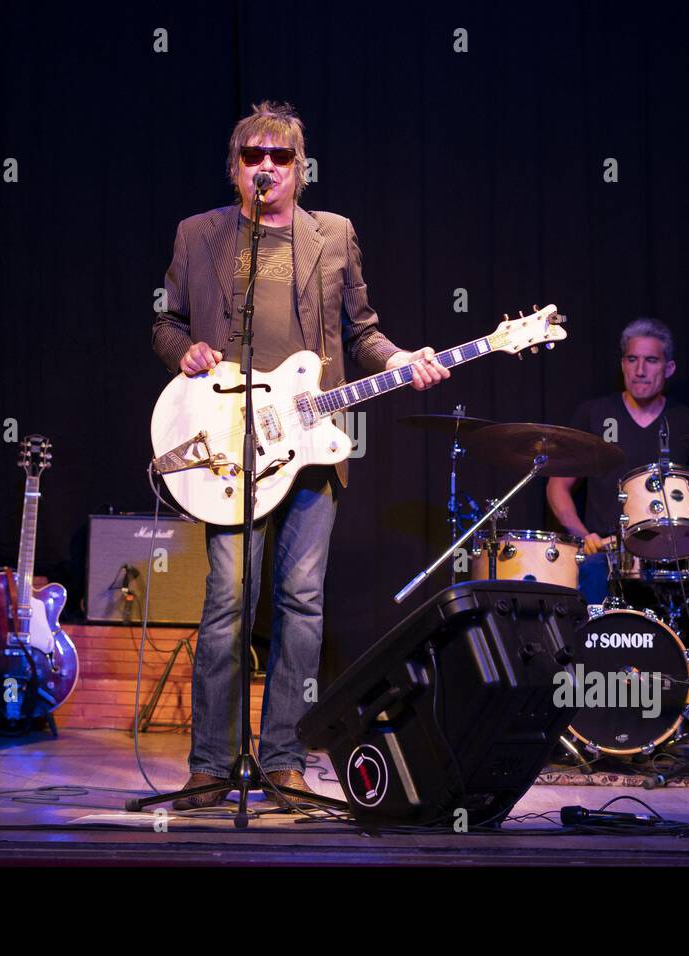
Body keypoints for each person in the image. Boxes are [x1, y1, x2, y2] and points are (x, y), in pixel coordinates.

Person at [151, 102, 449, 808]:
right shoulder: (199, 235)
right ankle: (212, 763)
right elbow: (164, 320)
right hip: (229, 448)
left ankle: (283, 759)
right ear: (235, 167)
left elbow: (364, 330)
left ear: (299, 170)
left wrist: (403, 358)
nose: (266, 167)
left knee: (301, 603)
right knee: (226, 601)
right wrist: (183, 349)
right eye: (253, 155)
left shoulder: (334, 236)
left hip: (312, 447)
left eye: (280, 158)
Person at [546, 319, 689, 688]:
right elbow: (557, 487)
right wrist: (582, 534)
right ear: (622, 365)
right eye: (632, 359)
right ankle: (591, 696)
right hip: (608, 549)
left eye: (650, 360)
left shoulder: (686, 421)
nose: (640, 369)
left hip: (675, 551)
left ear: (669, 368)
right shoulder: (595, 414)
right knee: (591, 572)